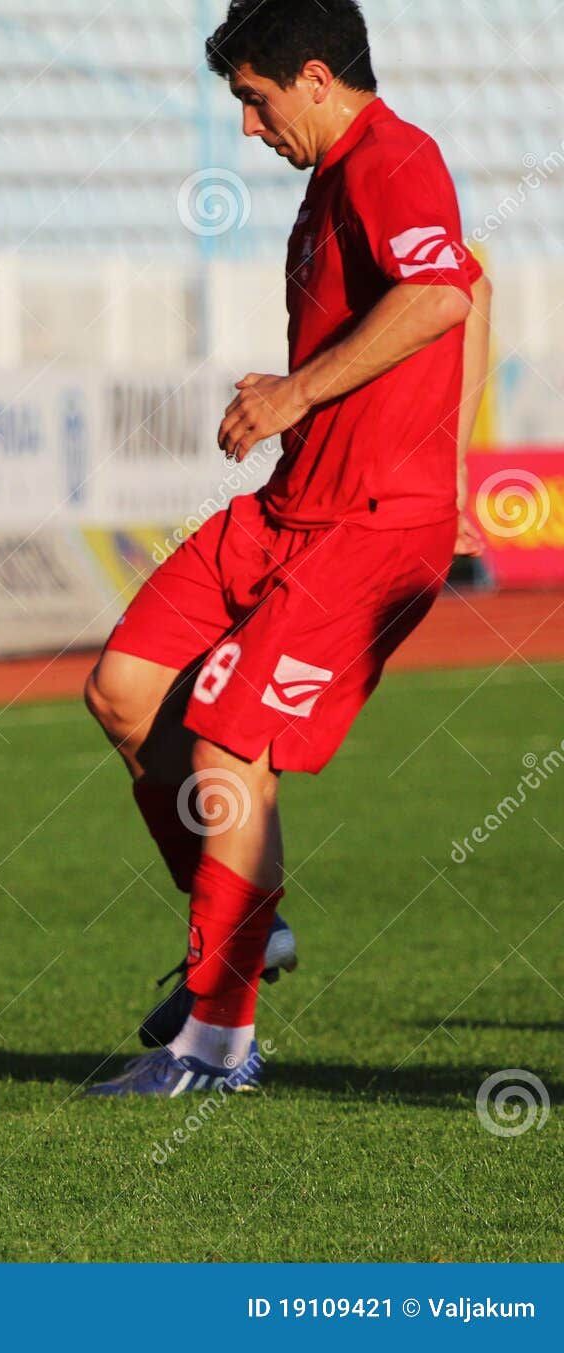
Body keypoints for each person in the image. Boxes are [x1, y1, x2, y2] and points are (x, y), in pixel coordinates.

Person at [83, 0, 492, 1096]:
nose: (250, 130)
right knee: (125, 692)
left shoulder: (391, 156)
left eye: (255, 102)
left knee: (225, 753)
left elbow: (442, 294)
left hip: (364, 526)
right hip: (288, 507)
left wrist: (297, 396)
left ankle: (215, 1044)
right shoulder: (334, 178)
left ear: (313, 76)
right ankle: (245, 937)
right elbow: (474, 281)